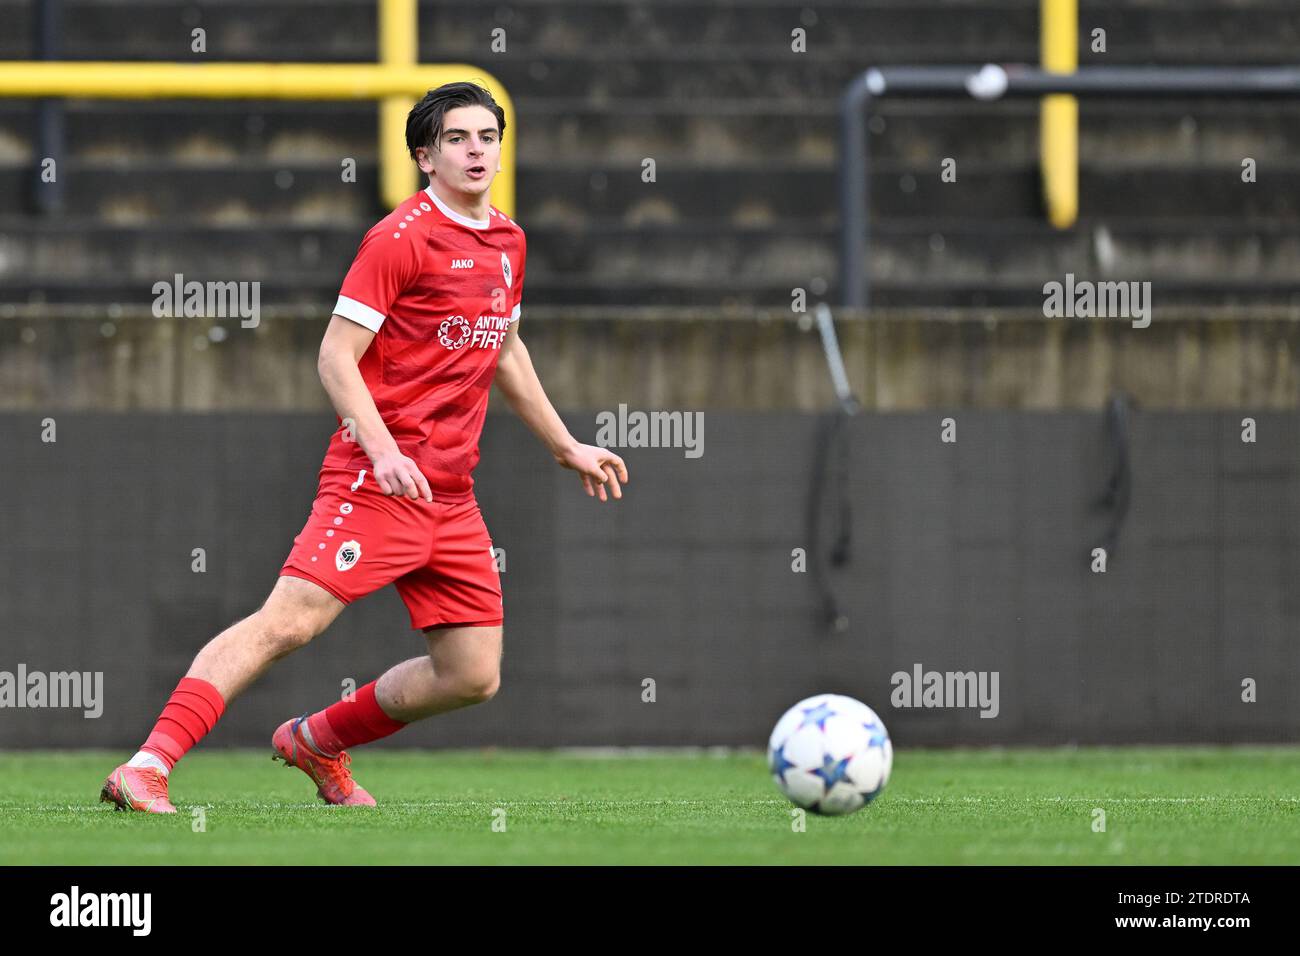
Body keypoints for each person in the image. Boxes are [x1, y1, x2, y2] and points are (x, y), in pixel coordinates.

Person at [99, 81, 628, 813]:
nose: (475, 150)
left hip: (449, 493)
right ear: (424, 156)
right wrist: (380, 449)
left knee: (472, 674)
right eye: (456, 139)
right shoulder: (400, 238)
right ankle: (147, 765)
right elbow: (334, 356)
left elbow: (505, 351)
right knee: (287, 623)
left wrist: (566, 444)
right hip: (377, 478)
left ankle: (316, 740)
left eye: (486, 136)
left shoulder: (509, 241)